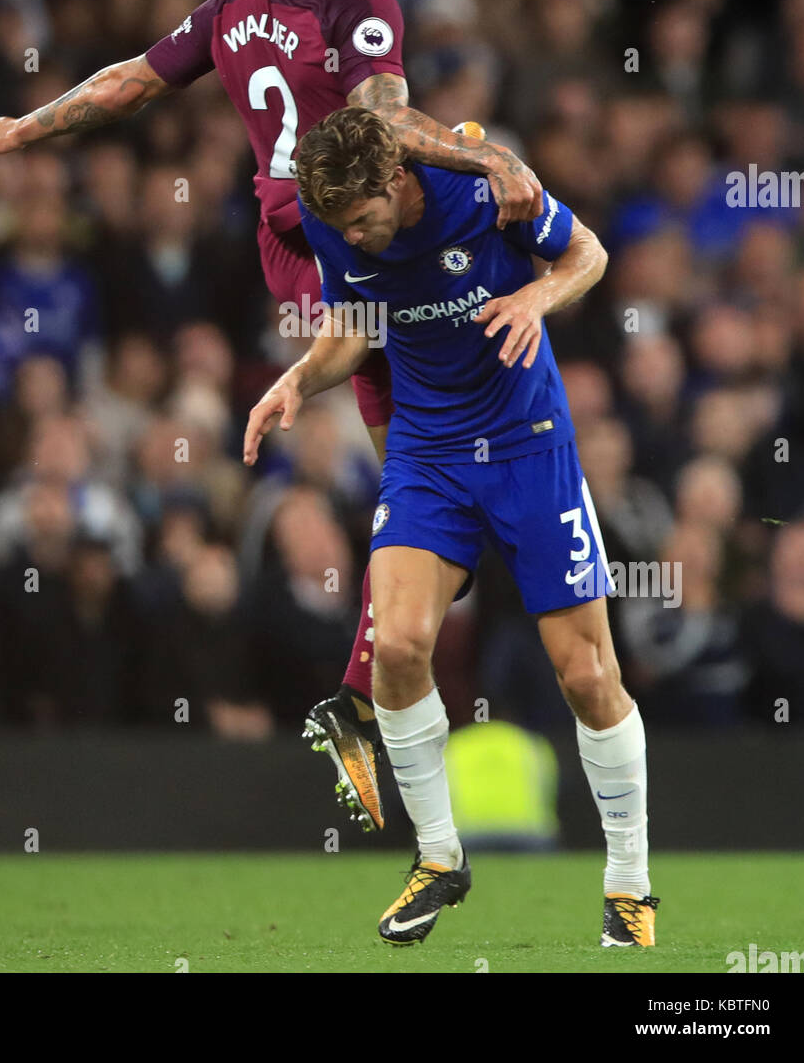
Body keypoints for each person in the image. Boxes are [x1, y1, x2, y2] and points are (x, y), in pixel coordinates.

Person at [0, 0, 543, 831]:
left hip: (285, 239)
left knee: (419, 487)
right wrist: (486, 153)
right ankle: (364, 692)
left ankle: (357, 699)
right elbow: (383, 125)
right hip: (353, 232)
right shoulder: (362, 11)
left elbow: (129, 83)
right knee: (444, 489)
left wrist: (22, 127)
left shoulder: (224, 9)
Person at [243, 107, 659, 948]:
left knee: (583, 673)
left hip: (528, 445)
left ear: (397, 182)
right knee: (394, 646)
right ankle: (439, 857)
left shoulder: (487, 190)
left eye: (363, 220)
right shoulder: (336, 228)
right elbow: (353, 333)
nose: (354, 239)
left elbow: (588, 253)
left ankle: (628, 886)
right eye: (340, 228)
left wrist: (535, 298)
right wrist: (298, 378)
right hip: (428, 454)